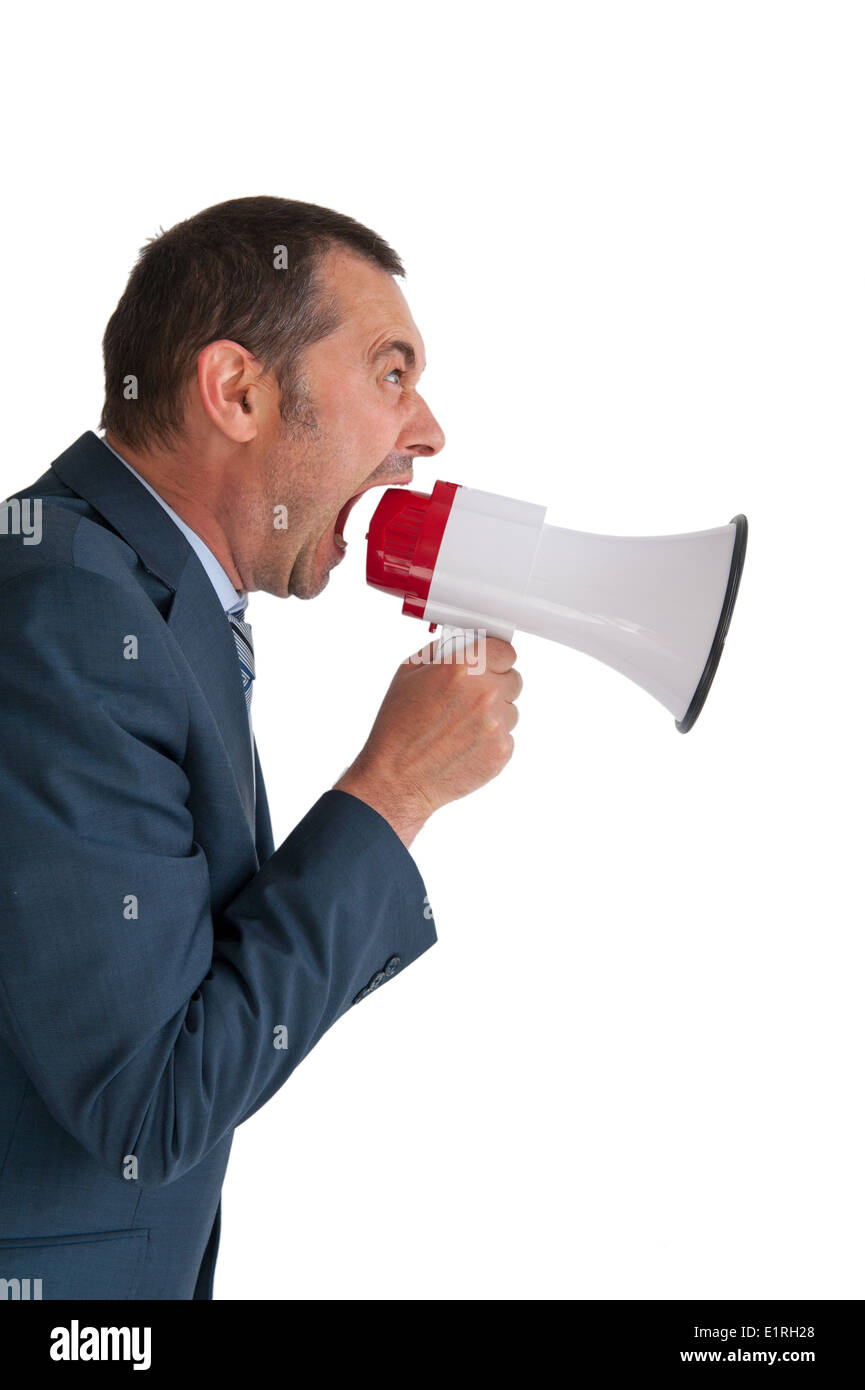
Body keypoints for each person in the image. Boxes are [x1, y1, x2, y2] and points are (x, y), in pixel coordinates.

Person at [0, 196, 521, 1300]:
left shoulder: (137, 593)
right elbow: (149, 1104)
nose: (426, 431)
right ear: (237, 390)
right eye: (390, 371)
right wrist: (391, 790)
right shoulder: (71, 615)